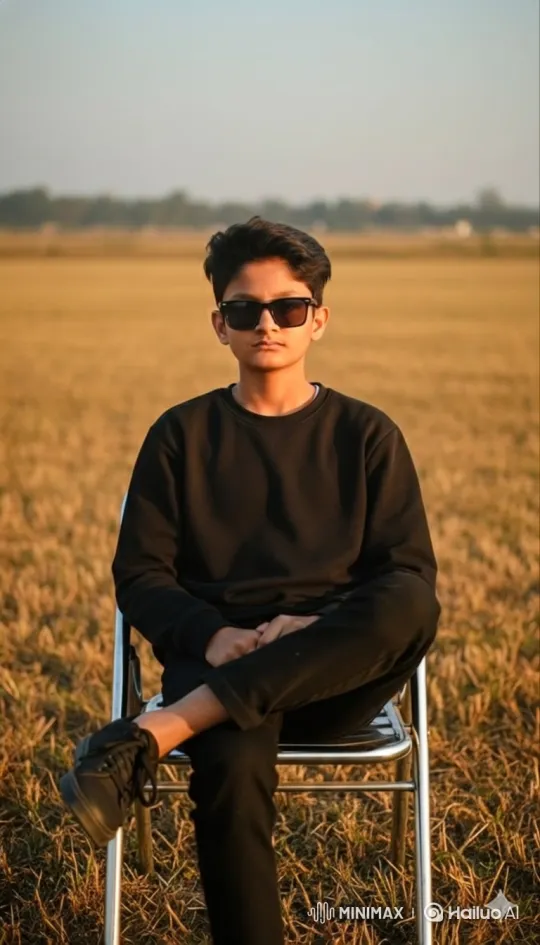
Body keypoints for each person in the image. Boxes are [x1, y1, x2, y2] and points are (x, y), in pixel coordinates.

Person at [60, 216, 441, 945]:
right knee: (231, 766)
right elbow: (140, 575)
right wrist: (217, 632)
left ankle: (152, 733)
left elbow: (406, 575)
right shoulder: (179, 435)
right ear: (220, 324)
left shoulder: (367, 435)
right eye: (245, 309)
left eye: (288, 308)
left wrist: (316, 629)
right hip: (216, 662)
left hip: (330, 681)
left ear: (317, 319)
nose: (267, 324)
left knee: (414, 602)